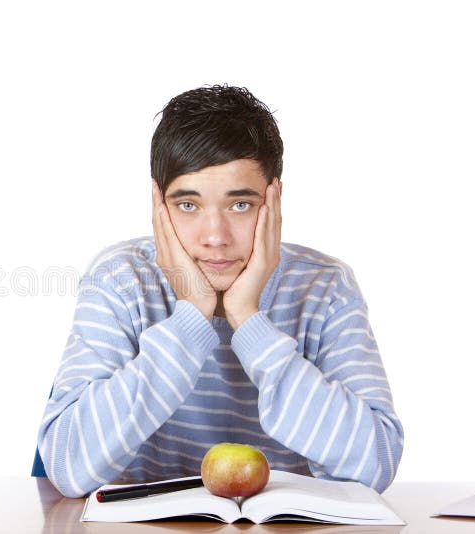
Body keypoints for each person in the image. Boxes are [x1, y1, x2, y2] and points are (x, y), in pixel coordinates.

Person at [36, 84, 403, 499]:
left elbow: (376, 464)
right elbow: (68, 465)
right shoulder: (121, 279)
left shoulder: (326, 287)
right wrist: (191, 312)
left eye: (240, 205)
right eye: (188, 205)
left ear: (274, 200)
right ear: (159, 205)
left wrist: (248, 319)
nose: (215, 237)